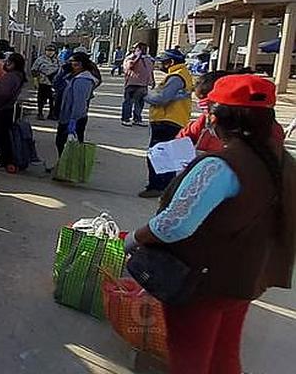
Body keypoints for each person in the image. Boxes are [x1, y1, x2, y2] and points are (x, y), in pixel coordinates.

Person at [124, 74, 296, 374]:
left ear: (217, 117)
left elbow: (173, 226)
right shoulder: (283, 161)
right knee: (223, 355)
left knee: (190, 359)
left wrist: (136, 238)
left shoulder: (220, 166)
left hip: (202, 282)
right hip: (246, 278)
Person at [139, 49, 194, 198]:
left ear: (171, 62)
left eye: (163, 62)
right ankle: (166, 186)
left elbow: (161, 98)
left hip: (167, 120)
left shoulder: (176, 77)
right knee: (168, 156)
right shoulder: (182, 75)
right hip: (173, 119)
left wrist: (146, 95)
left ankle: (157, 186)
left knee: (158, 155)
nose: (160, 65)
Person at [0, 52, 27, 167]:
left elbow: (3, 93)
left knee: (3, 136)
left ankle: (5, 160)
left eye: (9, 62)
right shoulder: (18, 75)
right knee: (5, 136)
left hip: (2, 108)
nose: (6, 64)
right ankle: (6, 159)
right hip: (8, 108)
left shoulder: (11, 77)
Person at [55, 52, 99, 156]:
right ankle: (63, 165)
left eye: (76, 65)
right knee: (62, 143)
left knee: (71, 145)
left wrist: (73, 121)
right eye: (71, 64)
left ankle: (70, 168)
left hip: (74, 117)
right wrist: (62, 71)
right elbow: (56, 84)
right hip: (66, 115)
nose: (73, 67)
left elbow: (79, 102)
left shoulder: (83, 80)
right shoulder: (71, 76)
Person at [121, 42, 154, 127]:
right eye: (141, 49)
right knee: (128, 102)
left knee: (139, 103)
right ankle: (126, 119)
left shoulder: (148, 59)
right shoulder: (130, 58)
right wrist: (137, 57)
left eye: (145, 49)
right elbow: (130, 66)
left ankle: (137, 119)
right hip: (132, 84)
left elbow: (150, 70)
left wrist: (152, 80)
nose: (144, 51)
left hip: (143, 85)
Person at [30, 45, 59, 120]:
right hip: (43, 81)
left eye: (52, 50)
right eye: (48, 50)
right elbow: (34, 70)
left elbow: (60, 69)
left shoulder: (57, 60)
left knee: (52, 98)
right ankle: (40, 113)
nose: (50, 52)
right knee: (41, 98)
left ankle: (51, 113)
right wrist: (35, 80)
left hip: (53, 83)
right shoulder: (40, 59)